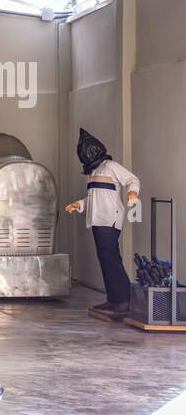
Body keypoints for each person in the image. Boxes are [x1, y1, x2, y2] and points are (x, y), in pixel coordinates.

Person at [65, 128, 140, 317]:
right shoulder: (93, 172)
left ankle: (124, 300)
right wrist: (78, 204)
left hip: (110, 218)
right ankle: (113, 299)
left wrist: (133, 192)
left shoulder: (111, 166)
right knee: (105, 258)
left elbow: (132, 179)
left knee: (111, 258)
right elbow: (94, 197)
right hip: (97, 219)